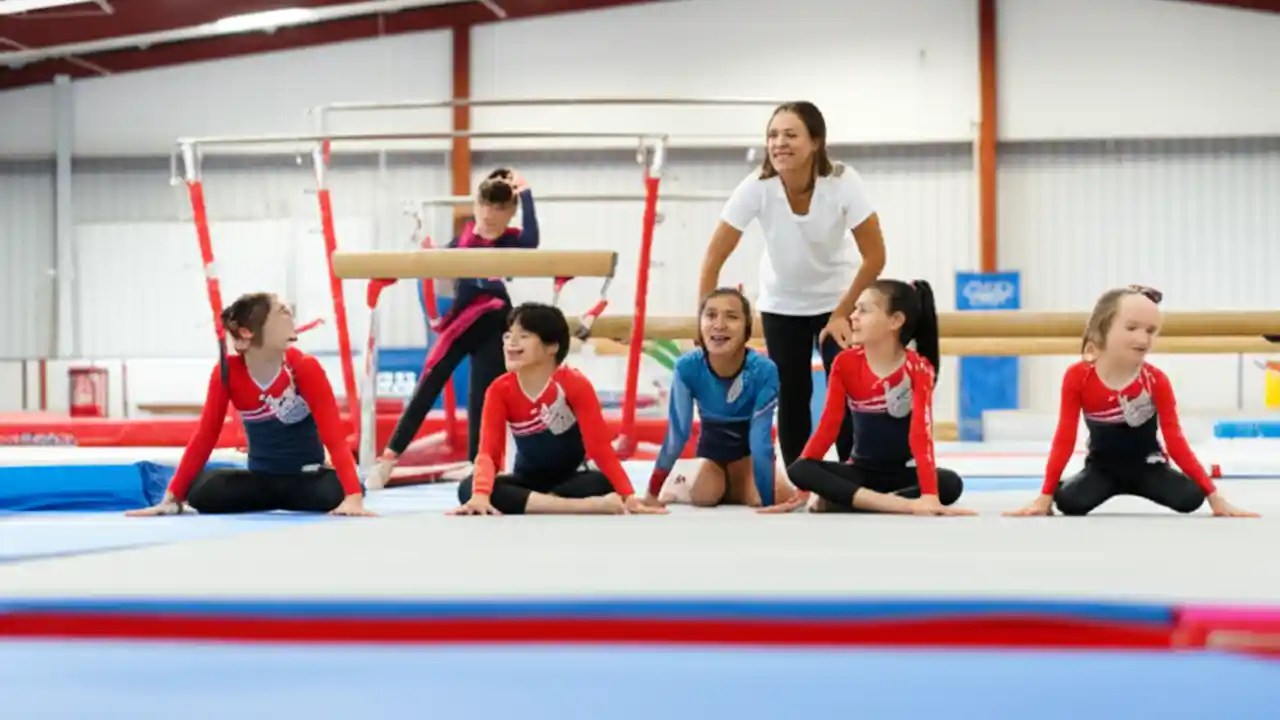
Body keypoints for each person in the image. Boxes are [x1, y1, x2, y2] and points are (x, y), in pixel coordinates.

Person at [698, 100, 887, 471]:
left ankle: (855, 471)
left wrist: (842, 312)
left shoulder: (843, 181)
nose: (779, 143)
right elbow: (713, 257)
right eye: (772, 135)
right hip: (782, 304)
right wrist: (702, 318)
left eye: (790, 135)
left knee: (848, 387)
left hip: (838, 301)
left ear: (815, 141)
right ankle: (803, 477)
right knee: (793, 393)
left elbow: (876, 256)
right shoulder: (757, 186)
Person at [1006, 286, 1258, 518]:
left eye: (1150, 331)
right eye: (1131, 328)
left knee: (1191, 498)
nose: (1143, 338)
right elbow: (1065, 436)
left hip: (1149, 467)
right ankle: (1068, 489)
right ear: (1101, 330)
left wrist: (1214, 496)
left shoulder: (1155, 381)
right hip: (1102, 469)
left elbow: (1175, 440)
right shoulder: (1079, 377)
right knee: (1069, 502)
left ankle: (1176, 487)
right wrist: (1046, 494)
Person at [127, 293, 372, 517]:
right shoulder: (228, 373)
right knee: (202, 490)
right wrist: (173, 497)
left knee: (337, 489)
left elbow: (333, 435)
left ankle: (313, 495)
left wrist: (353, 496)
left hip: (306, 478)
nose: (288, 312)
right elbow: (206, 435)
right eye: (279, 311)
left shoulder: (304, 368)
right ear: (247, 332)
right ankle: (277, 499)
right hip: (261, 479)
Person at [369, 168, 539, 489]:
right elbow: (434, 270)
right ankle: (388, 460)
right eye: (485, 206)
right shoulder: (462, 239)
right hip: (460, 323)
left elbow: (533, 240)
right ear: (476, 206)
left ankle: (479, 467)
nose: (490, 214)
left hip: (493, 323)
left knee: (483, 397)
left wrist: (526, 192)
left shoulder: (509, 242)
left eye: (500, 209)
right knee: (428, 386)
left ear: (510, 214)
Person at [765, 279, 973, 516]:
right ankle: (900, 504)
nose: (852, 316)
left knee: (950, 483)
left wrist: (929, 495)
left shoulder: (918, 368)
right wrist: (805, 484)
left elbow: (920, 435)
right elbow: (828, 427)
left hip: (899, 473)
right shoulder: (845, 363)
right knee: (799, 469)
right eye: (855, 309)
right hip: (859, 471)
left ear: (895, 321)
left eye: (863, 310)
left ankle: (853, 501)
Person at [451, 302, 667, 516]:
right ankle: (576, 506)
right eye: (507, 336)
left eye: (523, 335)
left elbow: (599, 448)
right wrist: (480, 494)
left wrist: (628, 495)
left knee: (603, 482)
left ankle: (539, 504)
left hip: (571, 479)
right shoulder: (499, 390)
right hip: (527, 480)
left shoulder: (574, 384)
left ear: (552, 347)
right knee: (467, 488)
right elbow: (488, 452)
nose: (511, 342)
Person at [645, 288, 796, 508]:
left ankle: (736, 487)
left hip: (748, 459)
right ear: (700, 325)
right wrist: (652, 492)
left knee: (766, 497)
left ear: (746, 328)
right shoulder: (688, 367)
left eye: (731, 317)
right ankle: (681, 480)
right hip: (712, 458)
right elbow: (678, 433)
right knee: (703, 496)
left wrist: (769, 502)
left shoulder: (763, 370)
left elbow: (760, 439)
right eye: (711, 315)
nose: (719, 325)